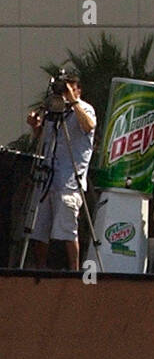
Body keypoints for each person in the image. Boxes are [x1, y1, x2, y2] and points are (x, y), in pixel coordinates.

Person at [26, 72, 96, 271]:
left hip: (69, 181)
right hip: (47, 179)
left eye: (69, 88)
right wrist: (36, 127)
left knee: (67, 230)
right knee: (38, 229)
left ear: (78, 89)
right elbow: (45, 140)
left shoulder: (85, 109)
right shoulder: (53, 110)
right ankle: (39, 270)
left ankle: (74, 272)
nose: (64, 93)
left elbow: (89, 126)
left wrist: (73, 101)